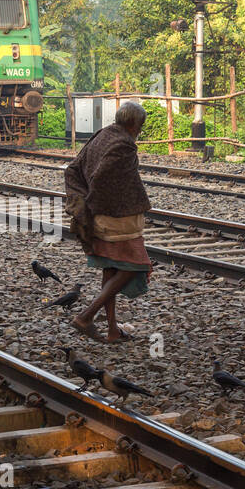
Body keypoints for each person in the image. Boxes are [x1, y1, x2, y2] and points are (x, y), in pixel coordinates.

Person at [63, 101, 153, 342]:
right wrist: (93, 202)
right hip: (117, 220)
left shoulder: (102, 134)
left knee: (110, 268)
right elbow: (103, 177)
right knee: (136, 264)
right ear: (134, 124)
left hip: (101, 215)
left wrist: (84, 202)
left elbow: (73, 169)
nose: (140, 131)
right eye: (141, 126)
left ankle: (113, 330)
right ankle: (86, 316)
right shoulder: (124, 144)